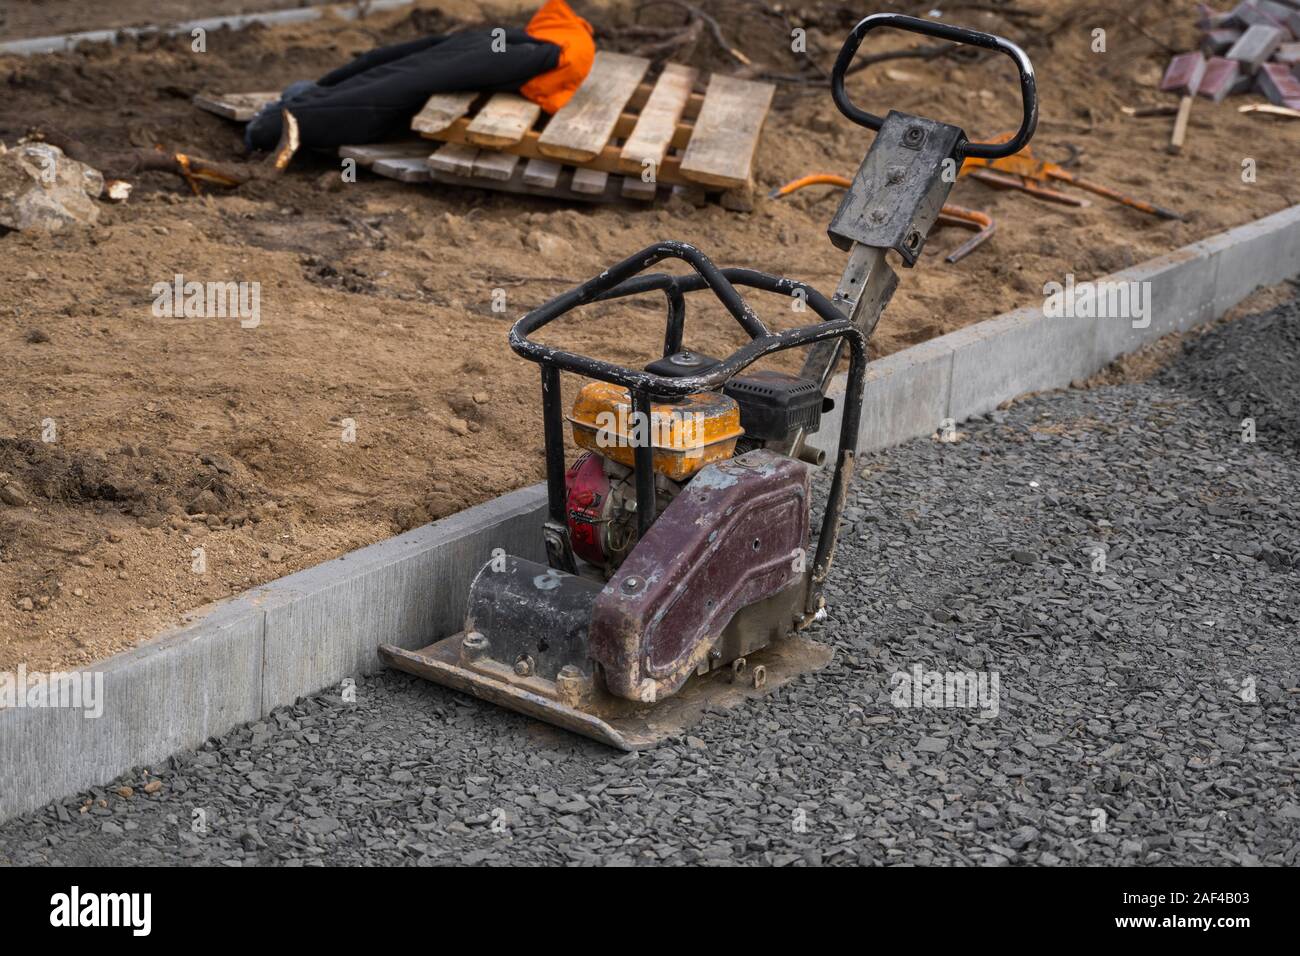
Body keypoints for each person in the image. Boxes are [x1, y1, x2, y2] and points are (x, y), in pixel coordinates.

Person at [244, 0, 595, 151]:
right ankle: (303, 104)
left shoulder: (544, 49)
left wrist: (288, 115)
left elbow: (414, 75)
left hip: (550, 52)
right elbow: (412, 71)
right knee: (417, 67)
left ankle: (300, 106)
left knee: (417, 69)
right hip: (550, 49)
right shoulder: (543, 43)